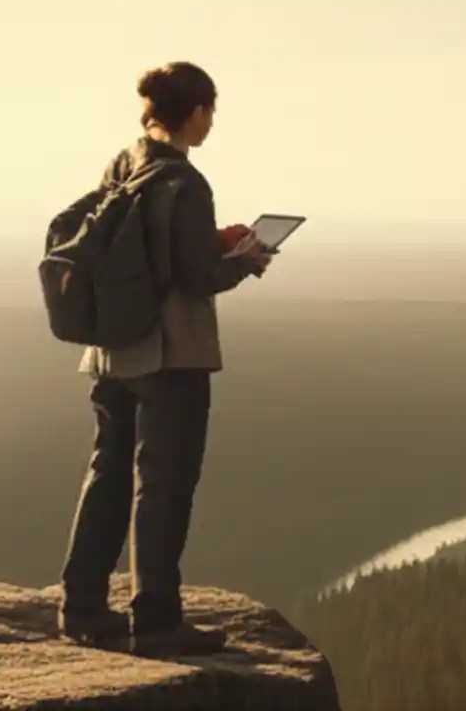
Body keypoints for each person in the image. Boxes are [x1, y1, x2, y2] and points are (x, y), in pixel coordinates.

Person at [58, 61, 273, 657]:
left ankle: (82, 606)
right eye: (211, 112)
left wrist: (215, 241)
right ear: (196, 112)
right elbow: (195, 276)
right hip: (172, 354)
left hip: (111, 349)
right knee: (164, 484)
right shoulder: (186, 181)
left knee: (106, 473)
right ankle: (155, 620)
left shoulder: (122, 164)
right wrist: (246, 261)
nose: (211, 123)